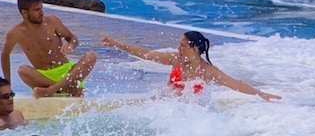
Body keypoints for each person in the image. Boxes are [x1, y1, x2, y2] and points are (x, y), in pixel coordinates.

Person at [101, 31, 281, 101]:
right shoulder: (175, 60)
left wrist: (259, 93)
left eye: (182, 45)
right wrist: (117, 44)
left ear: (194, 49)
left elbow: (235, 83)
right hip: (165, 107)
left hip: (189, 115)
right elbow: (145, 53)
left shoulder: (208, 71)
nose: (178, 48)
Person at [0, 0, 97, 97]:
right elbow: (5, 55)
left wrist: (70, 45)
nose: (41, 13)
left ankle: (52, 90)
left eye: (41, 8)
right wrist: (8, 85)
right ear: (25, 12)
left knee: (91, 56)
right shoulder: (15, 33)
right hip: (44, 77)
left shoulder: (52, 21)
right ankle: (68, 89)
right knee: (22, 70)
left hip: (67, 73)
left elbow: (72, 38)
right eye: (37, 10)